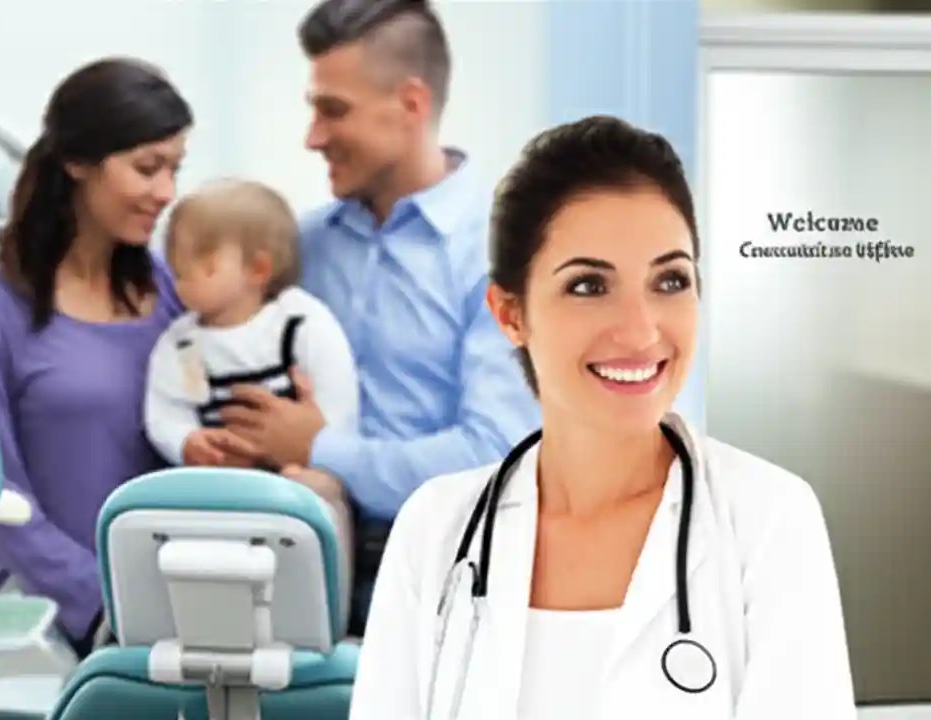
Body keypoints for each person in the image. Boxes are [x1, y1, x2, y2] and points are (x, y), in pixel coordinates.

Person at [350, 115, 856, 719]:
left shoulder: (768, 519)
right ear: (511, 315)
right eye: (589, 286)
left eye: (670, 280)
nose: (642, 331)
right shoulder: (435, 531)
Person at [217, 0, 541, 635]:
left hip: (445, 589)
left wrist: (317, 448)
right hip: (290, 578)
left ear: (411, 104)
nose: (312, 136)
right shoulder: (298, 251)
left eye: (333, 110)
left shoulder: (501, 255)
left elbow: (492, 457)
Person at [0, 58, 191, 658]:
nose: (166, 193)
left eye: (175, 170)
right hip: (67, 629)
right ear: (77, 162)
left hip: (188, 618)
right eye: (146, 168)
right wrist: (105, 606)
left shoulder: (171, 291)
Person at [143, 178, 358, 590]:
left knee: (320, 498)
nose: (181, 282)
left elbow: (338, 394)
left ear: (257, 269)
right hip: (222, 483)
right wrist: (188, 441)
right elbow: (165, 408)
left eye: (201, 267)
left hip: (301, 473)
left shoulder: (299, 322)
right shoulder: (182, 343)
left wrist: (318, 445)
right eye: (176, 269)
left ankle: (324, 608)